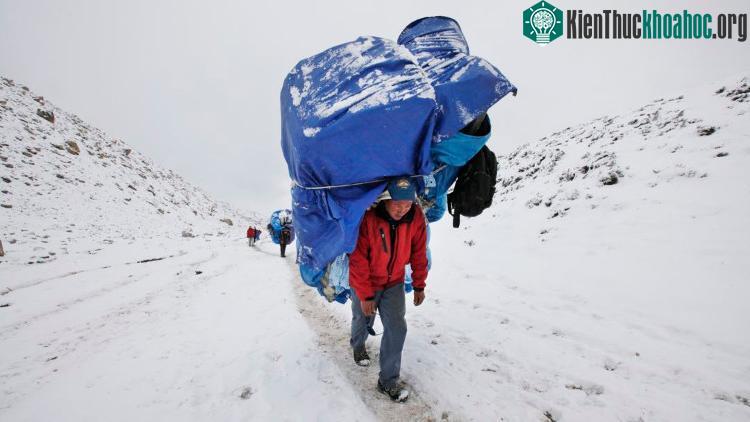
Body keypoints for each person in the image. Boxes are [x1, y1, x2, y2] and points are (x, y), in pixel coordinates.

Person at [348, 177, 428, 402]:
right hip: (367, 280)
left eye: (407, 204)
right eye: (397, 204)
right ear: (385, 200)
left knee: (397, 328)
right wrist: (365, 295)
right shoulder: (368, 219)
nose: (402, 210)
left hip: (394, 282)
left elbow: (419, 253)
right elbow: (358, 259)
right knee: (363, 318)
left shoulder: (415, 218)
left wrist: (420, 284)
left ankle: (388, 381)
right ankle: (358, 345)